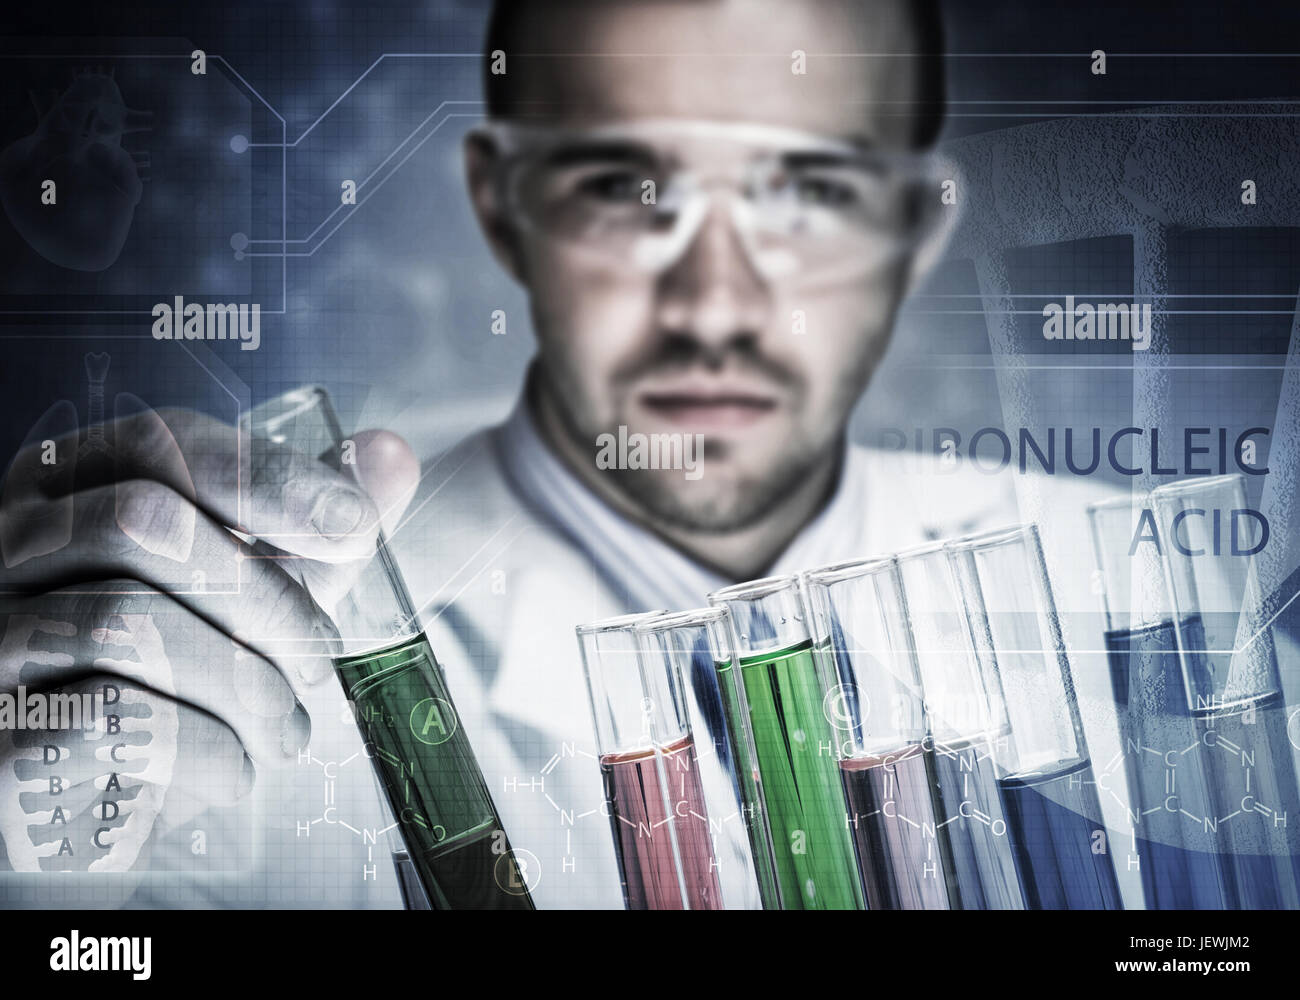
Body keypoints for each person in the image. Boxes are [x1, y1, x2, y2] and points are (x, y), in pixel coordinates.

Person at [0, 0, 1119, 909]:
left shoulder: (1142, 609)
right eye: (629, 193)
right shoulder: (227, 696)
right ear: (502, 205)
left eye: (809, 192)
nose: (713, 304)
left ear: (918, 223)